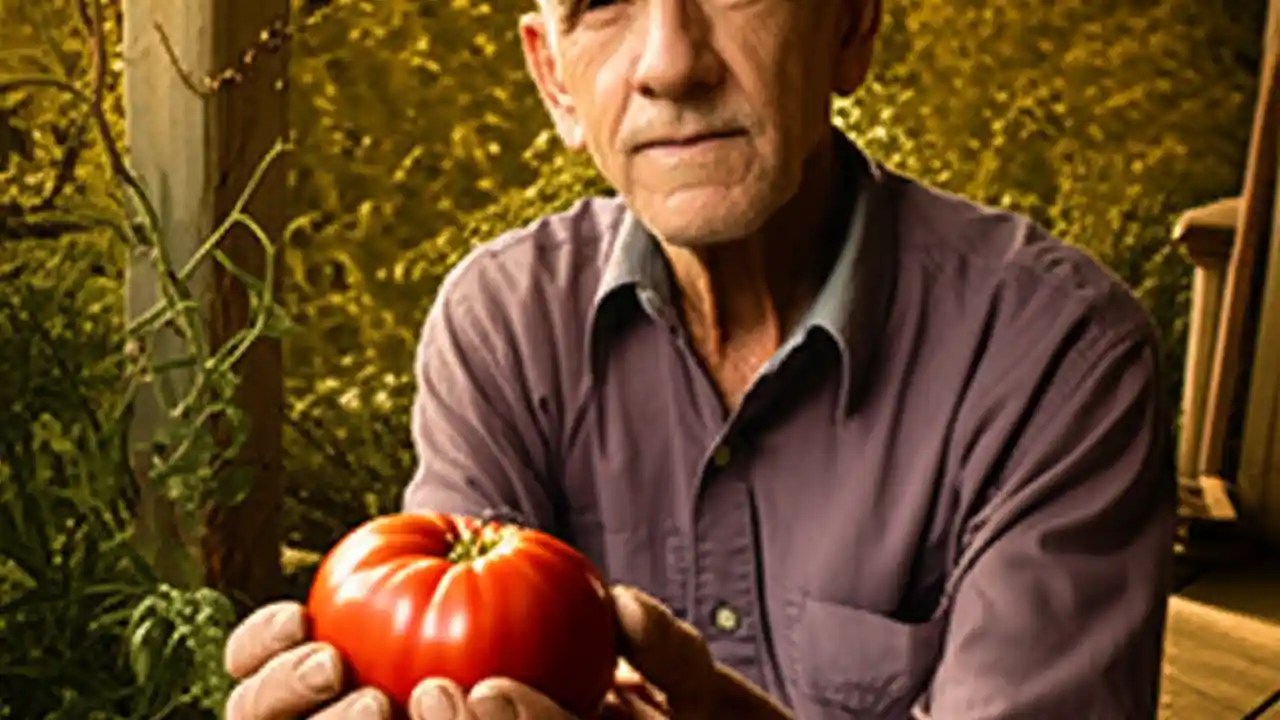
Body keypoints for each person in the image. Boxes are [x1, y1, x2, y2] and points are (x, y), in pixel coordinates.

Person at [223, 0, 1177, 717]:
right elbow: (455, 668)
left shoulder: (1057, 357)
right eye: (602, 1)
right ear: (554, 76)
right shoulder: (504, 326)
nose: (671, 64)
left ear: (851, 25)